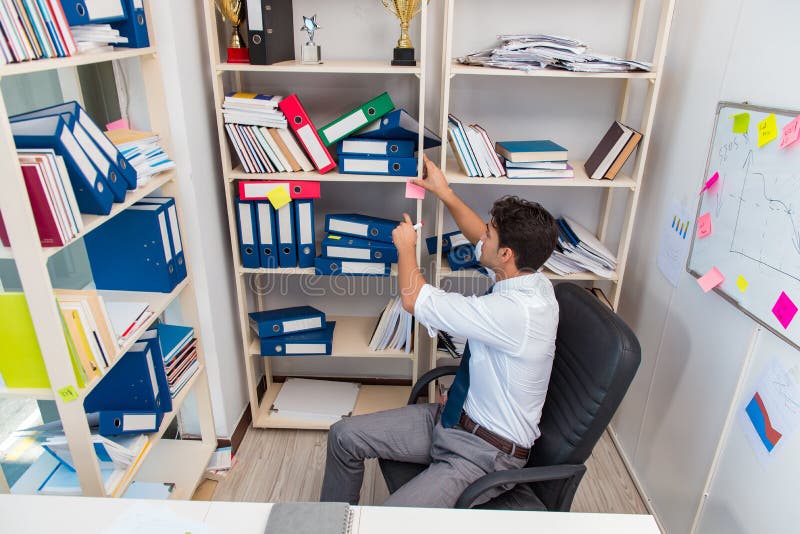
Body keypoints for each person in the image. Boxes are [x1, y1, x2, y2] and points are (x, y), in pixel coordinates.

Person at [320, 155, 560, 508]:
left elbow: (413, 299)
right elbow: (477, 235)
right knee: (343, 435)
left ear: (506, 253)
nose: (484, 237)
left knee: (386, 525)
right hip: (454, 417)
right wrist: (444, 192)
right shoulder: (528, 278)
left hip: (484, 453)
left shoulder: (514, 312)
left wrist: (405, 248)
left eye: (492, 234)